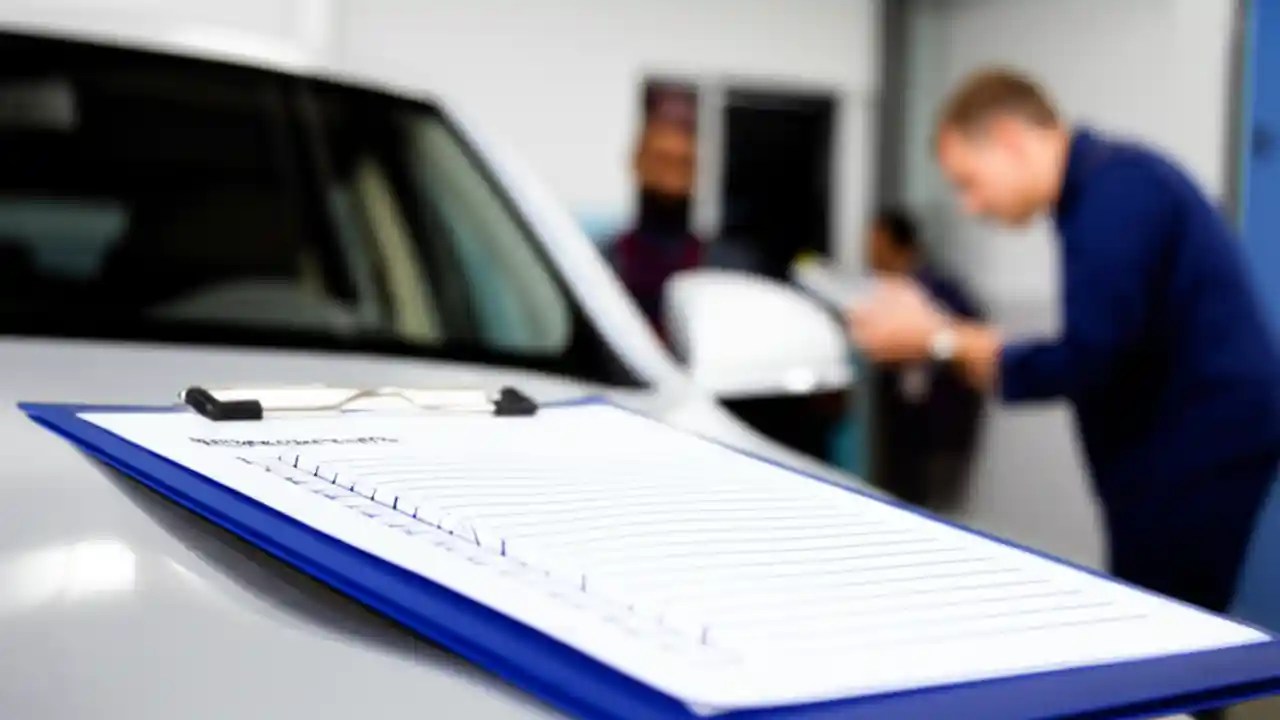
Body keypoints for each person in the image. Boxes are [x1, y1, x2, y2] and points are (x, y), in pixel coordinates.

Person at [848, 68, 1280, 614]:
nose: (970, 206)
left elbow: (1089, 357)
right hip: (1180, 443)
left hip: (1195, 447)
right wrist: (949, 340)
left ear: (1009, 140)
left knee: (1169, 628)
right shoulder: (1103, 189)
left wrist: (940, 338)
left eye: (968, 181)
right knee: (1158, 615)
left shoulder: (1116, 193)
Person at [866, 208, 984, 510]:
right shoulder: (881, 296)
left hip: (940, 431)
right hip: (900, 434)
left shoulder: (944, 294)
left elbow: (973, 352)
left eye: (877, 246)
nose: (871, 256)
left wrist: (932, 341)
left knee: (937, 514)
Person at [610, 92, 703, 336]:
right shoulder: (610, 259)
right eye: (662, 160)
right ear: (638, 160)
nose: (670, 178)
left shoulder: (712, 263)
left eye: (683, 163)